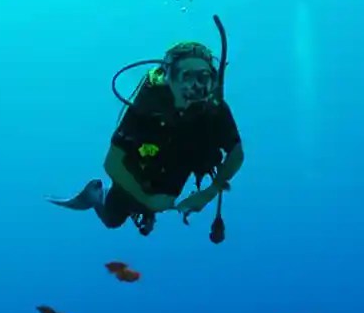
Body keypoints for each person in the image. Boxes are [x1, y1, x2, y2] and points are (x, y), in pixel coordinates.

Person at [50, 37, 245, 238]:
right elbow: (112, 163)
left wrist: (207, 194)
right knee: (113, 220)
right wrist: (146, 199)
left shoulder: (214, 110)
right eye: (187, 77)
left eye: (203, 78)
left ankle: (147, 210)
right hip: (136, 171)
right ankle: (96, 196)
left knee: (160, 198)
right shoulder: (148, 105)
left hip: (171, 177)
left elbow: (236, 153)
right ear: (169, 76)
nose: (196, 87)